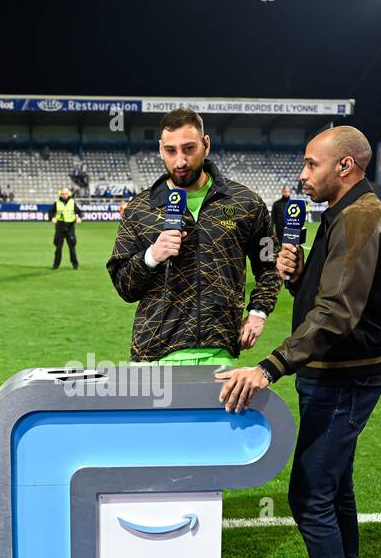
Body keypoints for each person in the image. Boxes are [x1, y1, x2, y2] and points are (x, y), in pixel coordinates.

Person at [214, 126, 381, 558]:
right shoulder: (341, 213)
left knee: (310, 495)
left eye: (311, 164)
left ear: (345, 166)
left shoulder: (362, 216)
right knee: (335, 490)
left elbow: (339, 315)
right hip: (334, 373)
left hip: (346, 376)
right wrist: (294, 279)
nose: (302, 173)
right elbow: (327, 299)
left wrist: (270, 366)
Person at [106, 107, 279, 365]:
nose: (180, 161)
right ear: (160, 149)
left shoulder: (246, 203)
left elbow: (269, 265)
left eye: (189, 148)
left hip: (218, 353)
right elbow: (124, 287)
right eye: (171, 151)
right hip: (153, 354)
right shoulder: (140, 208)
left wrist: (258, 312)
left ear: (206, 144)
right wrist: (151, 256)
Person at [50, 187, 82, 269]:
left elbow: (79, 212)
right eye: (63, 193)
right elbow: (50, 212)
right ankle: (56, 265)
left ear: (69, 194)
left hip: (70, 227)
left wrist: (79, 218)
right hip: (60, 227)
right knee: (58, 247)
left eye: (66, 193)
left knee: (72, 247)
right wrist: (52, 218)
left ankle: (75, 264)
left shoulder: (72, 202)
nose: (64, 195)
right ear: (61, 194)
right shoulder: (57, 203)